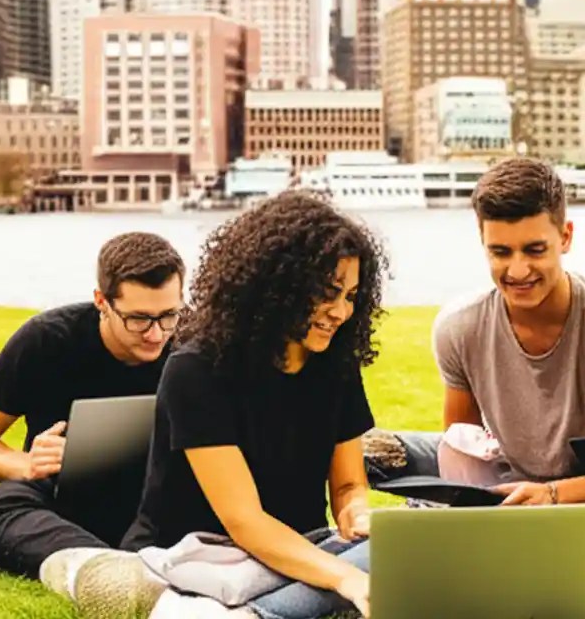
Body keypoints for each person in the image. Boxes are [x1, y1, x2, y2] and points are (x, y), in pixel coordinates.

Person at [80, 192, 388, 619]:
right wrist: (345, 577)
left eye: (352, 296)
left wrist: (358, 516)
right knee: (356, 576)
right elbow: (243, 520)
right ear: (279, 285)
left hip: (299, 551)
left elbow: (348, 486)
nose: (341, 312)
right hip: (197, 556)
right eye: (329, 293)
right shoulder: (196, 369)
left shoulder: (335, 364)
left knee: (394, 556)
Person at [366, 157, 585, 521]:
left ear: (566, 237)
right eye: (500, 252)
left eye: (534, 250)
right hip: (506, 480)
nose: (517, 270)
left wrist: (551, 494)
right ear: (483, 243)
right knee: (367, 452)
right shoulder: (459, 328)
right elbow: (465, 447)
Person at [0, 232, 184, 582]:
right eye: (138, 319)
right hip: (67, 498)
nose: (156, 334)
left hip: (161, 495)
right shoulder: (47, 340)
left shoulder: (194, 343)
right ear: (102, 302)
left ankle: (112, 569)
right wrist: (27, 464)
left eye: (168, 315)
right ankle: (114, 573)